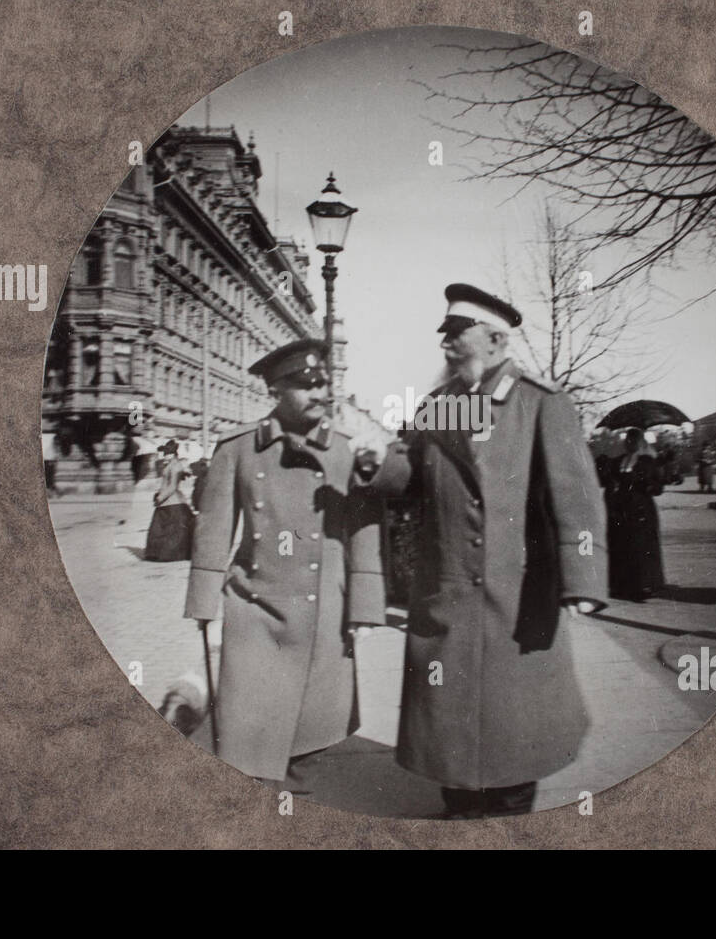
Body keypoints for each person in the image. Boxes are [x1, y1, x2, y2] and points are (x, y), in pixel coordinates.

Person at [356, 283, 608, 819]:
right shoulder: (442, 405)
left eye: (456, 331)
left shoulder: (540, 401)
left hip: (517, 601)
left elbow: (578, 496)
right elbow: (402, 484)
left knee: (514, 741)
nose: (444, 341)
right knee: (448, 739)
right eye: (444, 332)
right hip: (447, 597)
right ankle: (461, 813)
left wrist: (583, 579)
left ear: (494, 339)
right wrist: (379, 456)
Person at [183, 339, 385, 788]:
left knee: (311, 741)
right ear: (275, 391)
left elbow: (365, 530)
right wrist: (202, 603)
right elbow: (214, 528)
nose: (319, 393)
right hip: (254, 609)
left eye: (323, 383)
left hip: (324, 613)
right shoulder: (237, 449)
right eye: (304, 385)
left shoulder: (345, 452)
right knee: (247, 738)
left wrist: (366, 607)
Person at [608, 428, 666, 599]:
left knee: (641, 548)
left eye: (633, 440)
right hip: (622, 509)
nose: (629, 443)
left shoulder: (648, 461)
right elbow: (611, 479)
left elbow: (658, 488)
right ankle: (623, 586)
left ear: (640, 442)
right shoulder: (620, 460)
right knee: (622, 546)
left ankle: (644, 586)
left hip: (642, 510)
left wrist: (647, 483)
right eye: (628, 440)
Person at [144, 440, 194, 561]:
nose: (164, 455)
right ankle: (157, 553)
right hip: (166, 502)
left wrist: (160, 497)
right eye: (164, 453)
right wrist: (158, 494)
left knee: (170, 530)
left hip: (173, 502)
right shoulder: (169, 465)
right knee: (159, 529)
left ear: (173, 454)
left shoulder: (176, 466)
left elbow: (172, 486)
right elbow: (165, 484)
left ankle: (171, 554)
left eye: (167, 453)